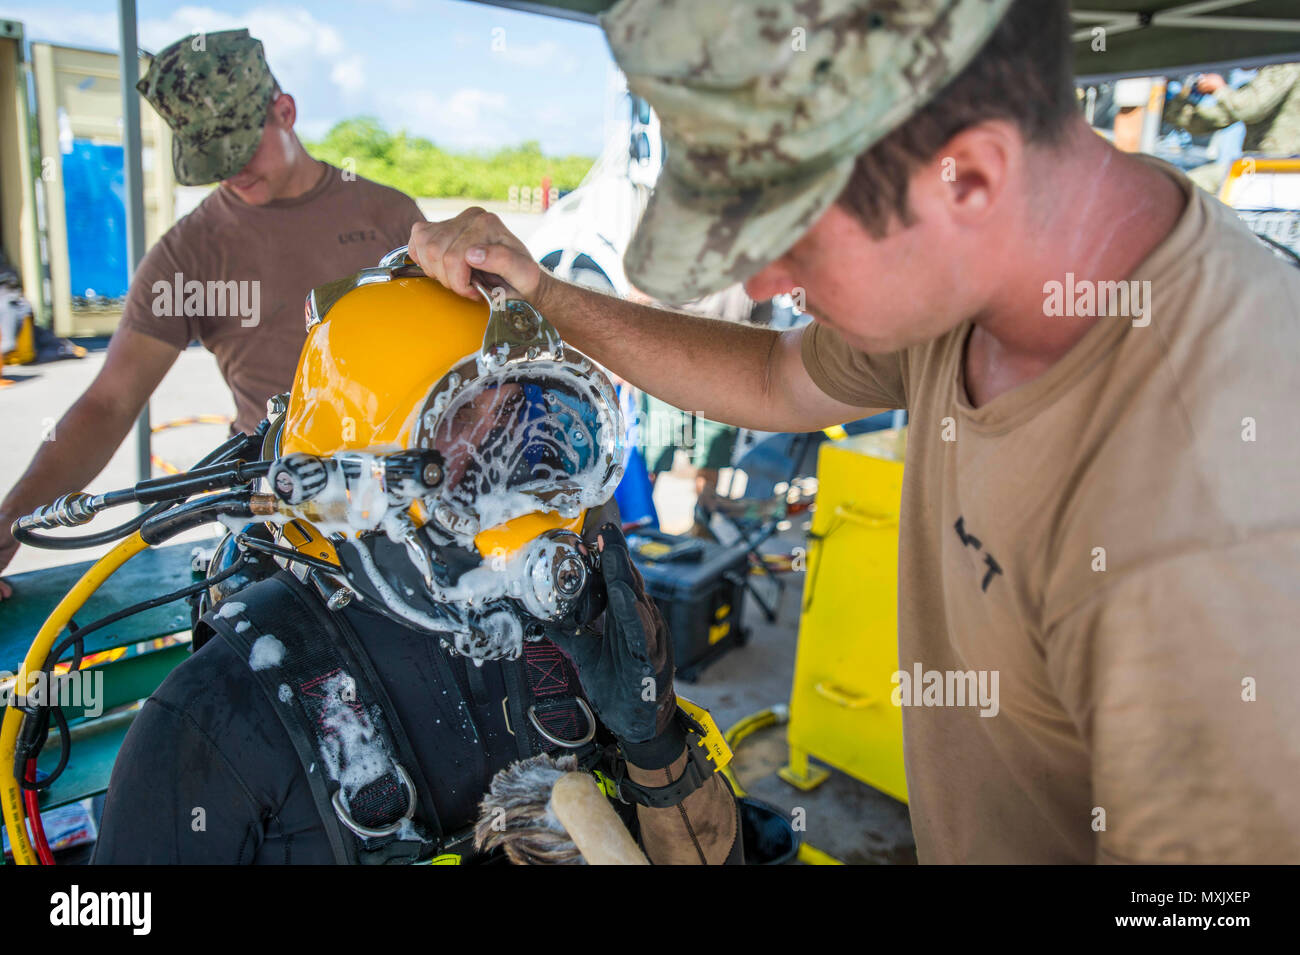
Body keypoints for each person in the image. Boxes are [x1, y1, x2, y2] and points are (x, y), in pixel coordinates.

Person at [407, 0, 1300, 863]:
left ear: (974, 178)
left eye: (790, 235)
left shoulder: (1208, 520)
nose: (759, 280)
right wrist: (543, 292)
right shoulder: (981, 276)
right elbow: (774, 372)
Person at [90, 258, 741, 865]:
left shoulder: (571, 636)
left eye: (513, 417)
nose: (500, 468)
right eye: (459, 429)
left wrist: (655, 744)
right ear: (353, 476)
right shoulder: (214, 715)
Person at [0, 29, 424, 596]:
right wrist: (11, 524)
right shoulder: (189, 254)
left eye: (241, 149)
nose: (232, 172)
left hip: (408, 491)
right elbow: (108, 402)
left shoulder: (388, 214)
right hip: (279, 509)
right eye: (210, 161)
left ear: (285, 111)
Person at [1164, 63, 1300, 192]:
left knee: (1189, 186)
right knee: (1181, 185)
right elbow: (1208, 121)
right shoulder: (1262, 83)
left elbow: (1249, 108)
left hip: (1283, 169)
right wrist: (1179, 102)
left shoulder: (1286, 65)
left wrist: (1220, 89)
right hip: (1263, 168)